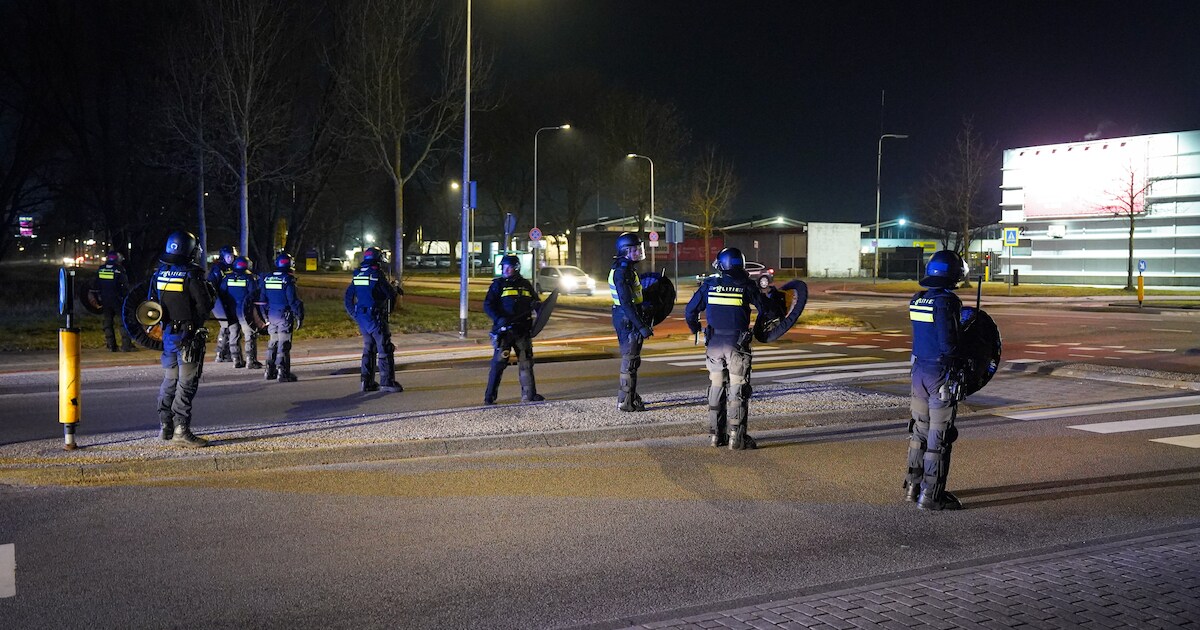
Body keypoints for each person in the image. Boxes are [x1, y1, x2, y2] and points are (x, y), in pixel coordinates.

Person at [685, 247, 769, 450]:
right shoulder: (746, 286)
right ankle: (737, 438)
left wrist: (696, 328)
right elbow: (767, 309)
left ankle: (715, 436)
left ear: (721, 265)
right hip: (736, 346)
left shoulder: (709, 285)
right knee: (737, 390)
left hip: (713, 346)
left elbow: (690, 311)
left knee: (716, 388)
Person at [905, 249, 967, 511]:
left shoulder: (918, 300)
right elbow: (948, 344)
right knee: (938, 436)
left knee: (918, 431)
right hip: (939, 374)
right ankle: (932, 495)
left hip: (918, 371)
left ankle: (913, 487)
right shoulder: (947, 302)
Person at [150, 231, 215, 447]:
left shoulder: (159, 273)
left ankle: (165, 426)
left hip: (168, 335)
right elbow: (204, 306)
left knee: (170, 380)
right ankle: (181, 430)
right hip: (188, 338)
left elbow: (151, 304)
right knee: (187, 384)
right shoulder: (192, 273)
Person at [482, 254, 544, 405]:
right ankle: (490, 397)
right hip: (504, 331)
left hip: (522, 330)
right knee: (498, 364)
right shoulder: (498, 285)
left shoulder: (525, 284)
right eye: (504, 267)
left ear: (516, 268)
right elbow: (488, 305)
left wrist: (537, 306)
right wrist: (499, 318)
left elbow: (535, 302)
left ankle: (530, 394)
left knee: (526, 363)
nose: (506, 270)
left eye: (509, 267)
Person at [344, 247, 403, 393]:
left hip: (362, 318)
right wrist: (395, 289)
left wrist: (355, 314)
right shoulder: (377, 274)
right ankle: (387, 382)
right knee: (384, 348)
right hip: (375, 317)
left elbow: (348, 298)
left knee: (368, 349)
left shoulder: (357, 275)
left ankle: (366, 382)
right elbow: (389, 294)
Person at [609, 232, 654, 412]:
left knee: (632, 360)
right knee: (630, 361)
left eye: (638, 249)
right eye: (634, 250)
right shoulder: (622, 272)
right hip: (627, 319)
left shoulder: (625, 269)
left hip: (625, 317)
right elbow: (626, 303)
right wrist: (642, 326)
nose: (638, 253)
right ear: (625, 251)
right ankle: (626, 402)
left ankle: (629, 396)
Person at [261, 251, 304, 382]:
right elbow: (293, 300)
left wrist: (265, 316)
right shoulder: (288, 279)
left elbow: (262, 300)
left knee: (272, 343)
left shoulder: (267, 278)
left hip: (271, 315)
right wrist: (299, 315)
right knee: (284, 344)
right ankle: (283, 372)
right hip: (284, 316)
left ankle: (269, 371)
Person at [219, 256, 263, 370]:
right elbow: (254, 295)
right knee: (249, 335)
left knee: (234, 335)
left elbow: (221, 294)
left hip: (230, 311)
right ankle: (251, 361)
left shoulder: (227, 278)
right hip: (245, 312)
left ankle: (236, 360)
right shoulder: (249, 278)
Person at [96, 250, 135, 352]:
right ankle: (126, 346)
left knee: (108, 323)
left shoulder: (101, 269)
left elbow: (96, 285)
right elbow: (124, 286)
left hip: (105, 300)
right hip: (118, 300)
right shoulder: (119, 269)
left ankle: (111, 346)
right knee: (123, 322)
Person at [207, 245, 238, 362]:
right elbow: (212, 285)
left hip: (231, 302)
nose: (231, 259)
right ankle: (220, 353)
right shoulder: (218, 268)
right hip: (221, 301)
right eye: (228, 256)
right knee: (225, 326)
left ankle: (227, 352)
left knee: (232, 327)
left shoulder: (235, 268)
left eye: (232, 256)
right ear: (223, 256)